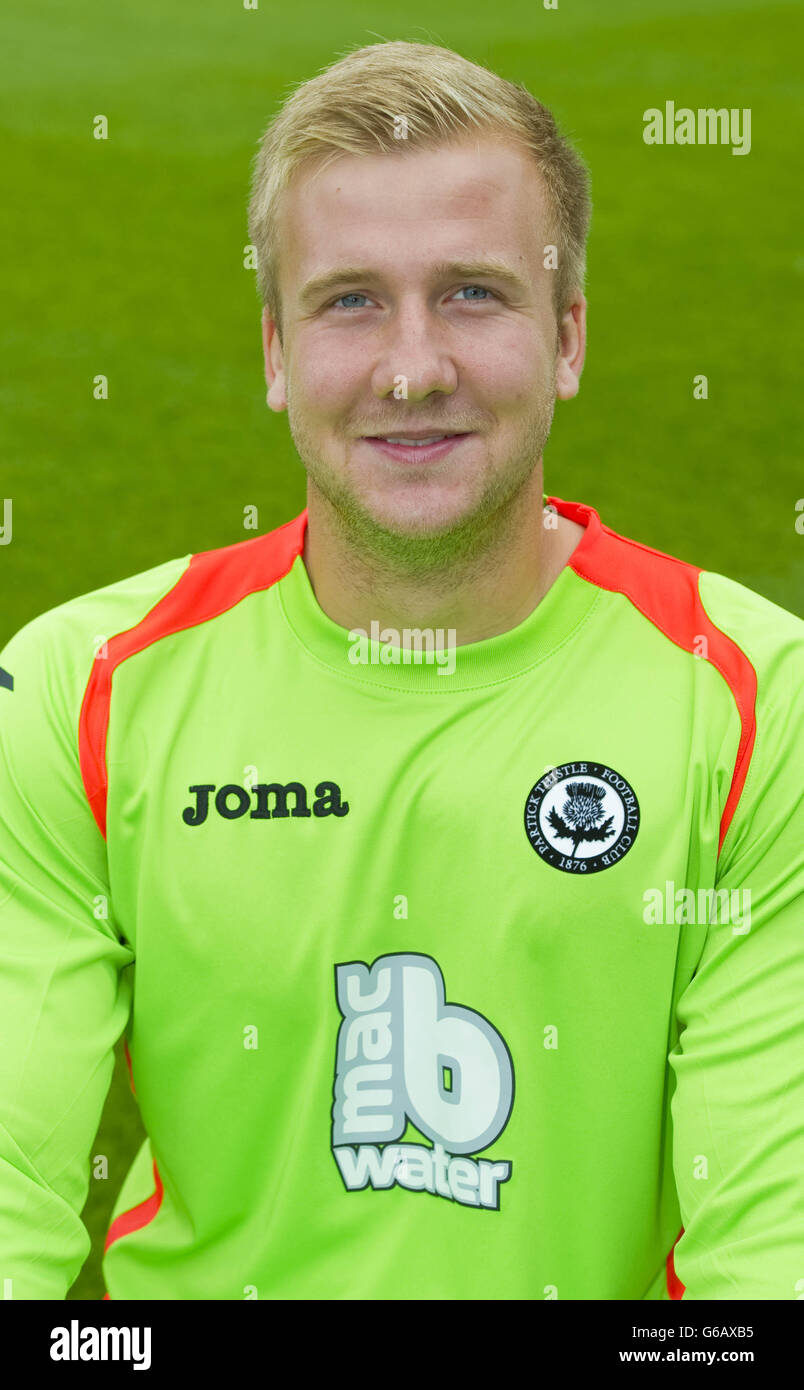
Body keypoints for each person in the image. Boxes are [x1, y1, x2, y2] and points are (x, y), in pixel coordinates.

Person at [1, 39, 802, 1302]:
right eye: (350, 300)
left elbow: (774, 1247)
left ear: (570, 337)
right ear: (275, 352)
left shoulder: (759, 700)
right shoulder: (78, 690)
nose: (413, 366)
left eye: (475, 294)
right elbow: (8, 1188)